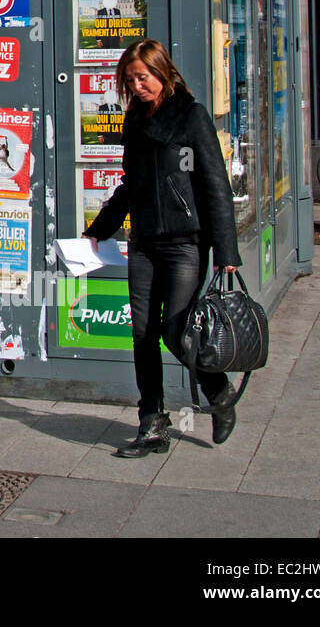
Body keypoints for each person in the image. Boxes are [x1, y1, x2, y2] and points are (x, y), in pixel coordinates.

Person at [84, 39, 241, 457]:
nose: (137, 85)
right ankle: (151, 421)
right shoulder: (134, 119)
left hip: (186, 243)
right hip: (145, 242)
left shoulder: (191, 116)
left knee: (178, 331)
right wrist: (99, 229)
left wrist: (226, 252)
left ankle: (219, 394)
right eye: (130, 79)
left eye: (143, 77)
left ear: (163, 72)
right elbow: (130, 184)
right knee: (142, 333)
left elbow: (216, 187)